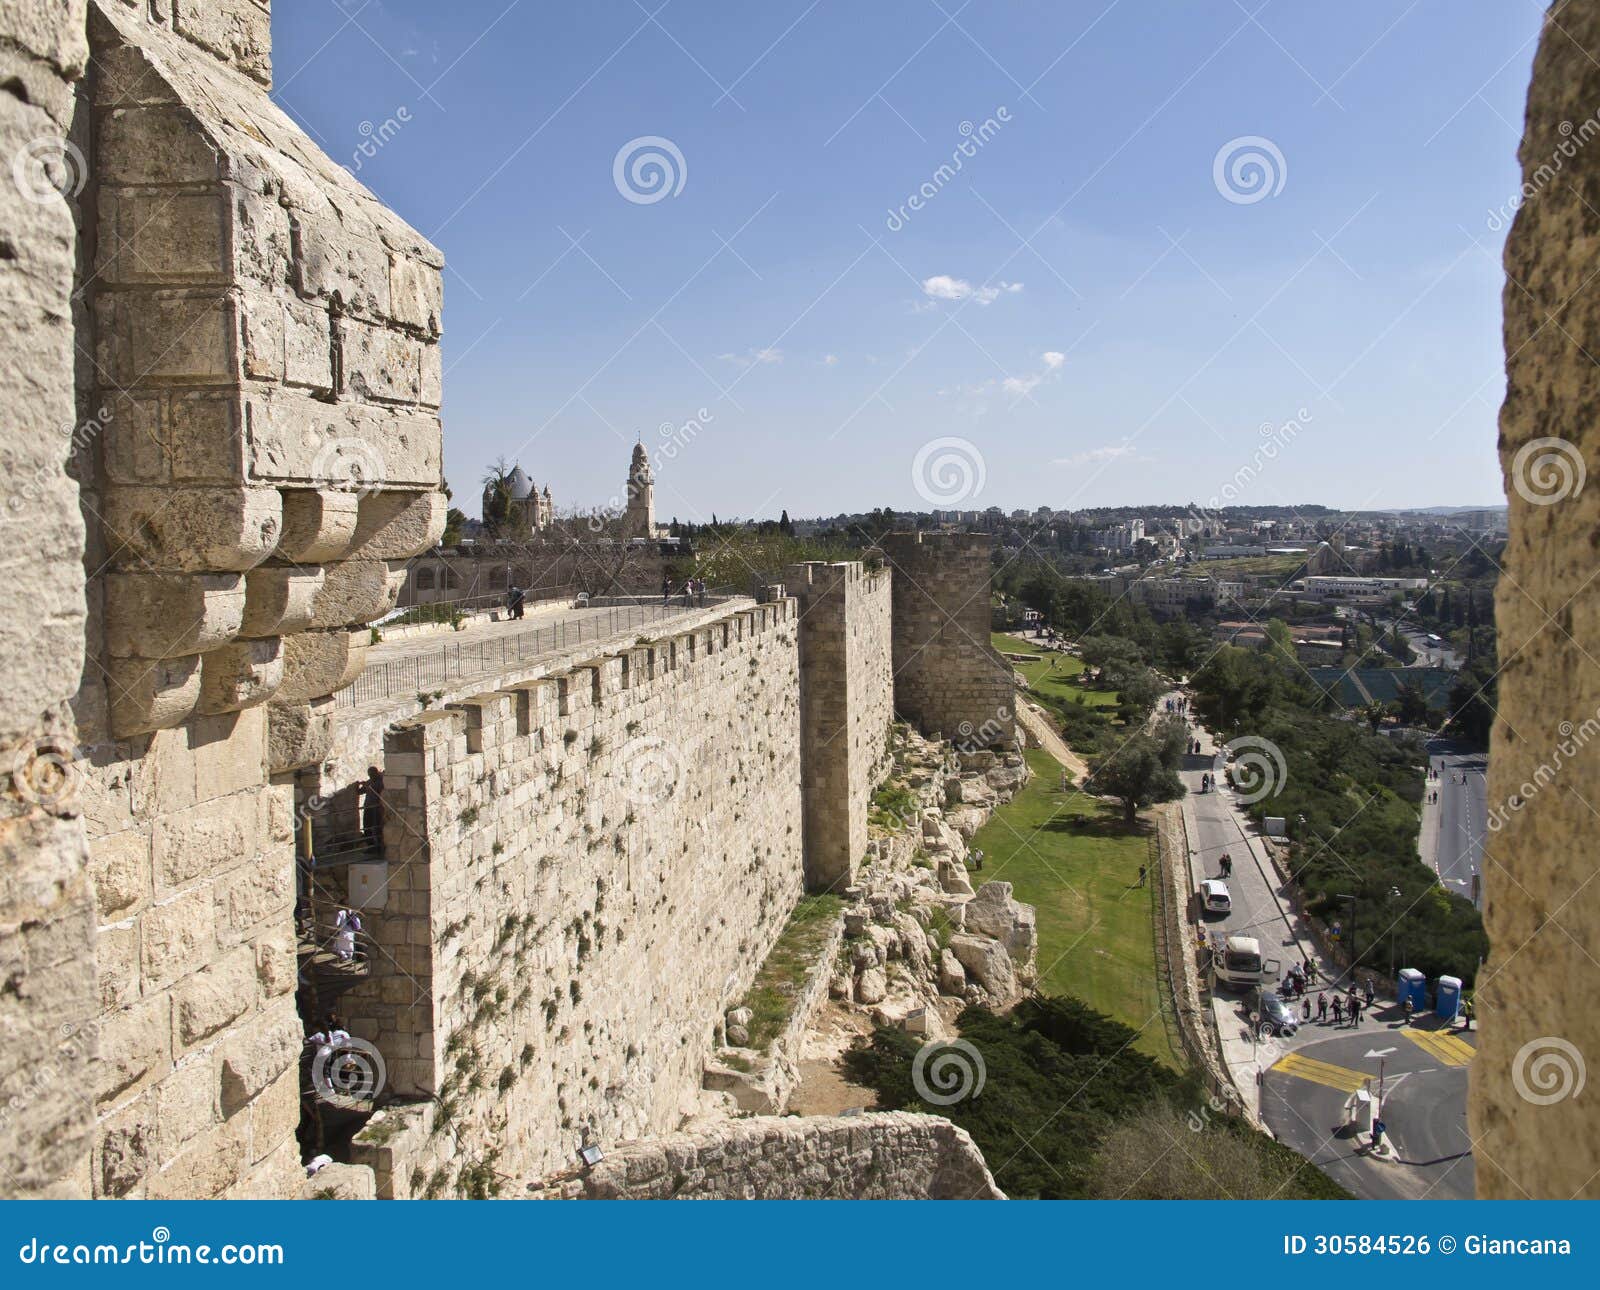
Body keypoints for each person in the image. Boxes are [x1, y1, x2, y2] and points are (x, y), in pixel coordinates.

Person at [360, 766, 384, 853]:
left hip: (376, 808)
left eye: (372, 774)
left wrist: (367, 785)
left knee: (376, 828)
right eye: (369, 775)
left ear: (376, 773)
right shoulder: (370, 781)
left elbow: (375, 788)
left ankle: (378, 846)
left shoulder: (380, 782)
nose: (370, 776)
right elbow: (360, 791)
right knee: (367, 827)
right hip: (368, 807)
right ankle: (370, 846)